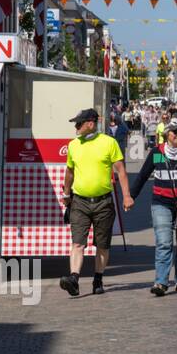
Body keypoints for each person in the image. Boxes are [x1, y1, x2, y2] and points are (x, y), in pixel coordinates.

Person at [60, 108, 134, 297]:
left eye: (79, 124)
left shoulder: (109, 143)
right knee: (77, 243)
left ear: (90, 124)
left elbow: (121, 171)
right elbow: (70, 172)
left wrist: (126, 196)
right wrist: (66, 193)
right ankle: (74, 279)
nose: (76, 127)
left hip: (103, 203)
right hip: (79, 202)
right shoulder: (74, 145)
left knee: (102, 245)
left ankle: (98, 279)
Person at [132, 118, 177, 295]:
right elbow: (143, 176)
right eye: (174, 131)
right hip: (161, 202)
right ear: (166, 134)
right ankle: (161, 282)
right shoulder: (156, 152)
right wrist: (130, 196)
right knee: (164, 242)